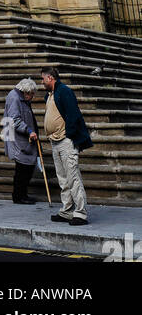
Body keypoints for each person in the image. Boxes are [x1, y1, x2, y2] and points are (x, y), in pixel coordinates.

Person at [41, 66, 92, 225]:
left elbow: (73, 114)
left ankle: (81, 213)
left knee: (73, 177)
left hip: (66, 140)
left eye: (42, 79)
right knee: (63, 179)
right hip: (55, 141)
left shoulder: (64, 91)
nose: (41, 82)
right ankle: (67, 211)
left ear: (50, 78)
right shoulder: (50, 94)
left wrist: (68, 134)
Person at [2, 77, 40, 204]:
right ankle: (18, 196)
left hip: (21, 138)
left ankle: (22, 194)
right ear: (26, 92)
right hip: (18, 138)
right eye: (32, 94)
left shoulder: (21, 98)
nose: (32, 97)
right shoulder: (14, 97)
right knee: (22, 168)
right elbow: (14, 120)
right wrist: (29, 130)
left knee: (25, 168)